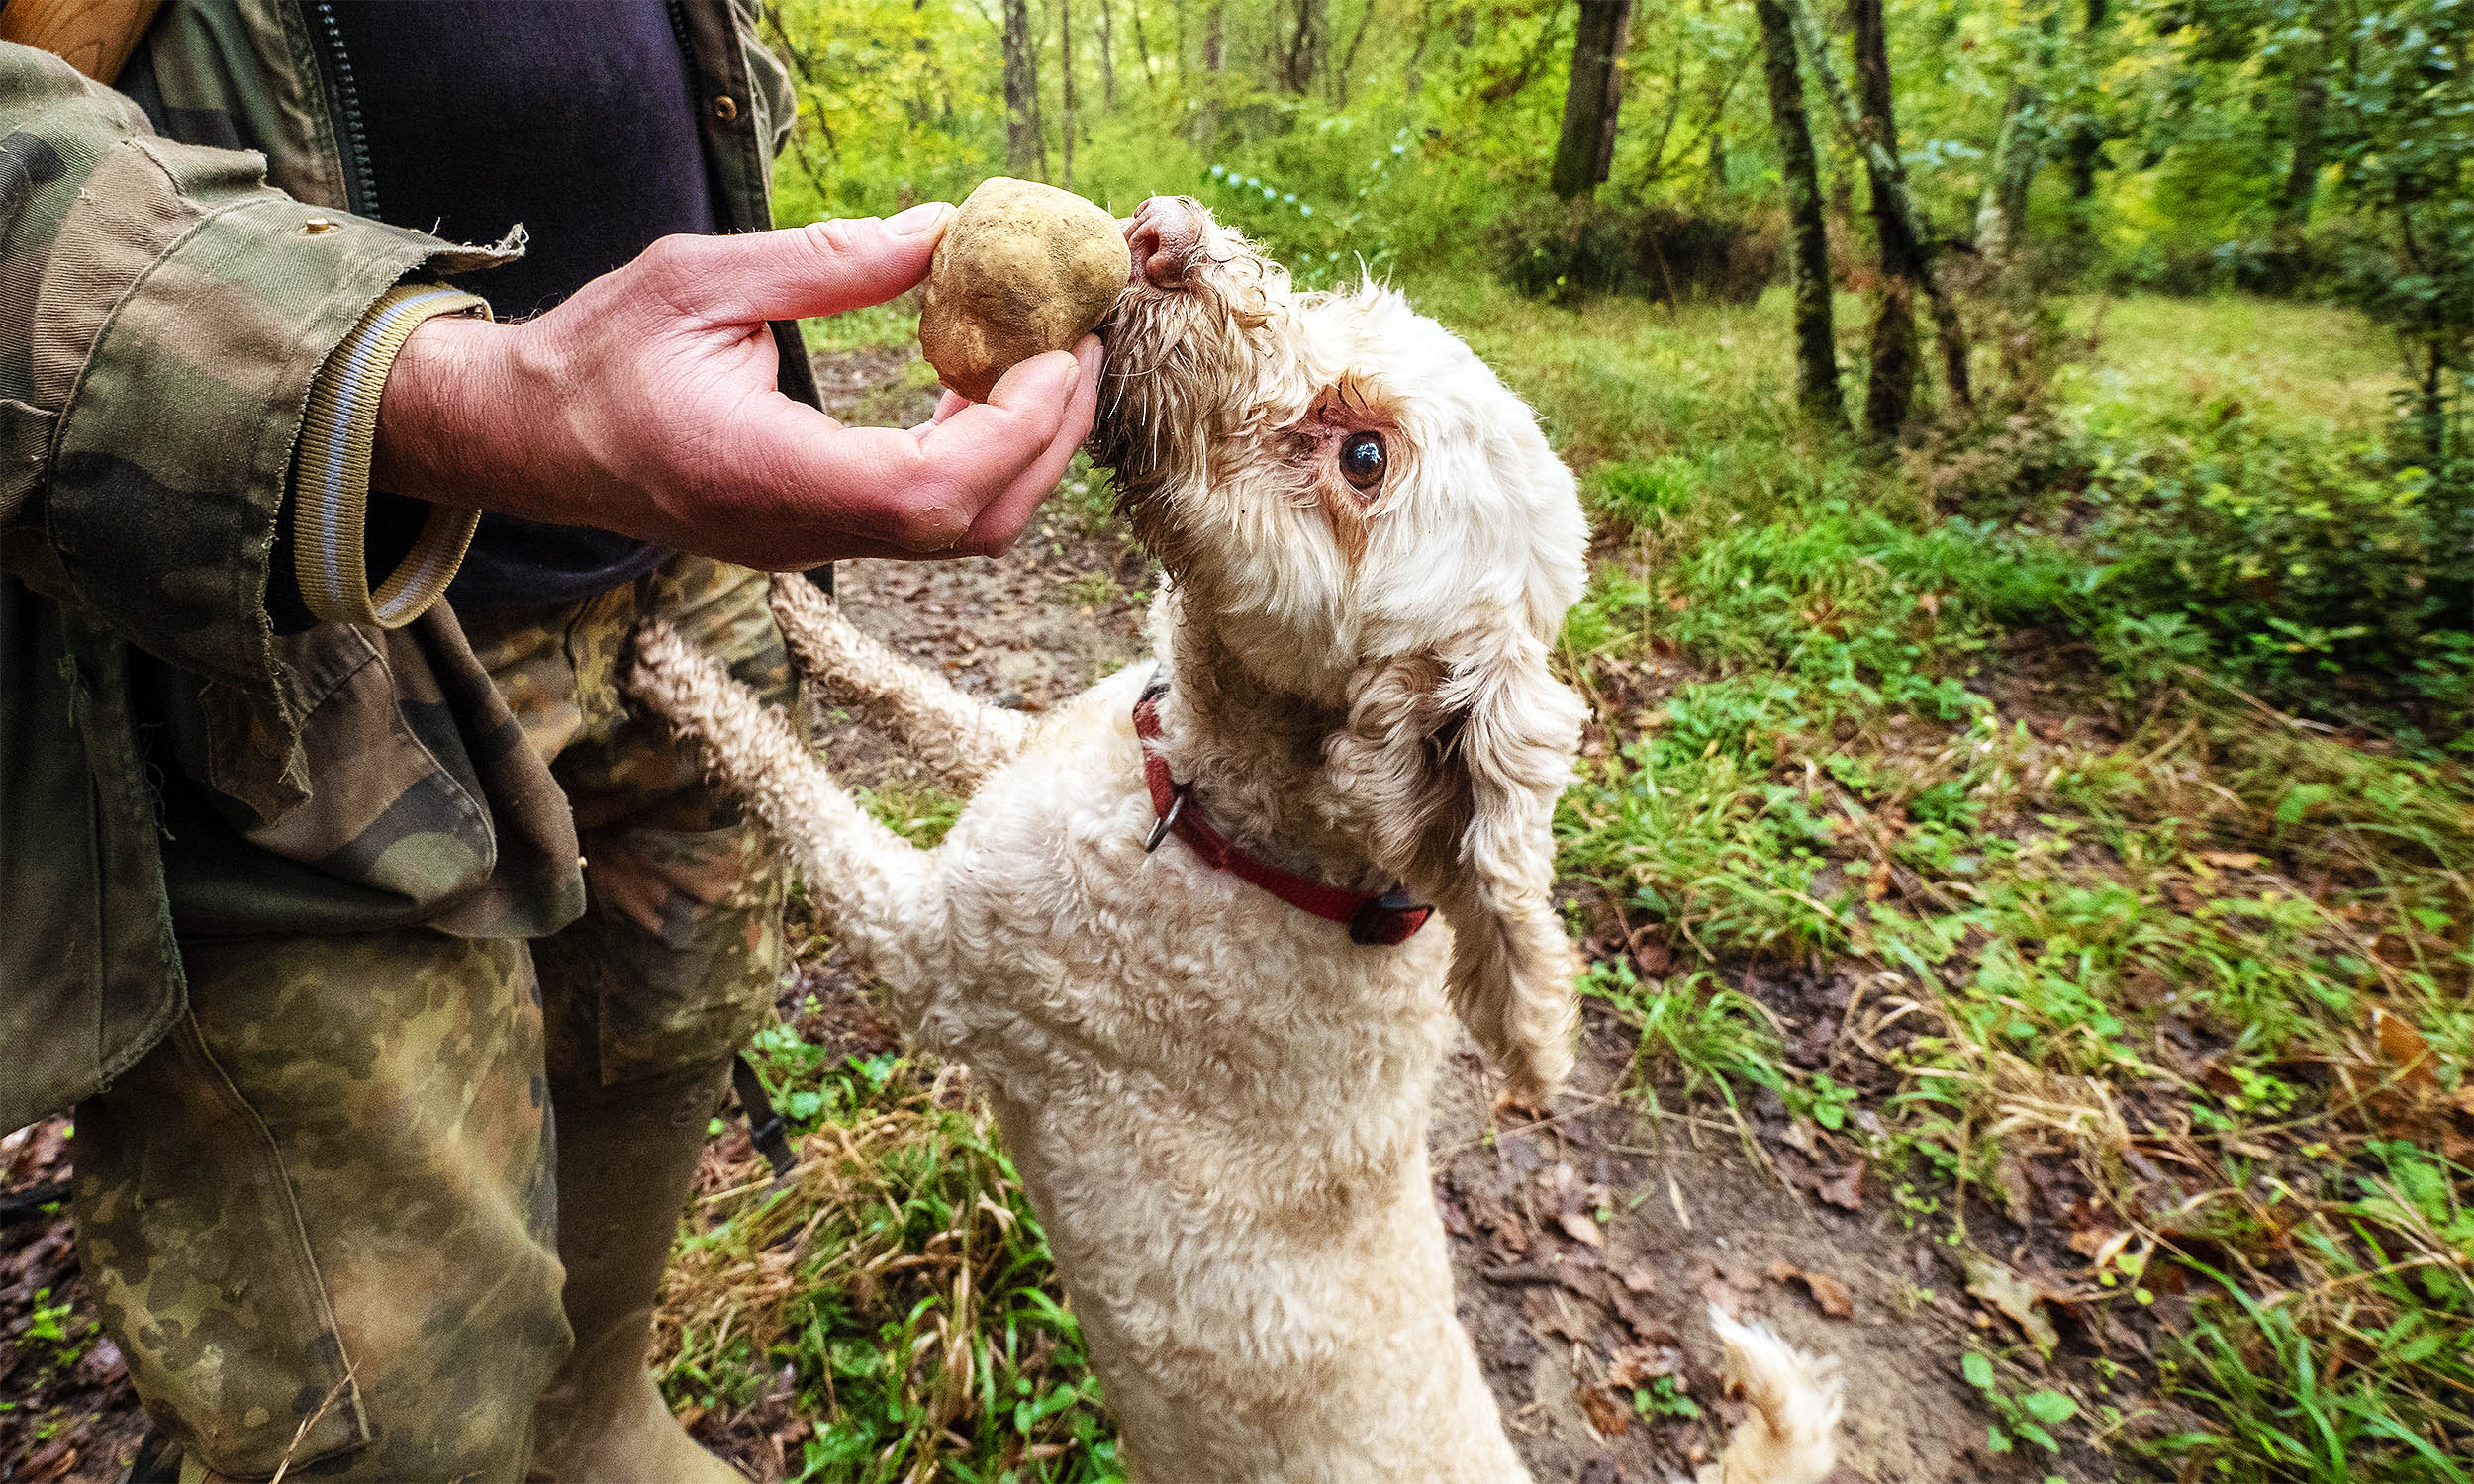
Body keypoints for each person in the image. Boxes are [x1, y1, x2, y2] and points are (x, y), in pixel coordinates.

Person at [0, 3, 1101, 1480]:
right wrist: (464, 394)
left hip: (676, 576)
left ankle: (595, 1423)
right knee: (391, 1413)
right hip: (268, 651)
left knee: (662, 1019)